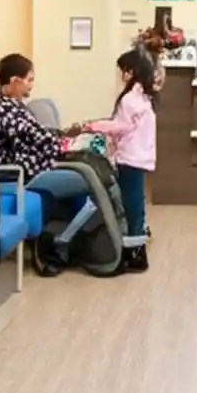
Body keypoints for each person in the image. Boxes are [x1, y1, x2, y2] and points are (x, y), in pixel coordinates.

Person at [0, 53, 90, 277]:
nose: (32, 85)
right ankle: (56, 245)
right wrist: (63, 142)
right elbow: (35, 138)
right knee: (85, 179)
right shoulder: (0, 110)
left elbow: (37, 135)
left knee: (83, 176)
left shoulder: (14, 107)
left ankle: (76, 243)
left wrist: (64, 137)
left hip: (27, 167)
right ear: (15, 81)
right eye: (29, 79)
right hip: (15, 174)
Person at [80, 48, 157, 272]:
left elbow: (120, 126)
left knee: (130, 206)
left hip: (130, 158)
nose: (120, 75)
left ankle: (132, 253)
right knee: (136, 205)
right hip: (140, 157)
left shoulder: (130, 99)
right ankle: (137, 250)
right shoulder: (143, 96)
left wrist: (92, 126)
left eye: (122, 71)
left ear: (129, 72)